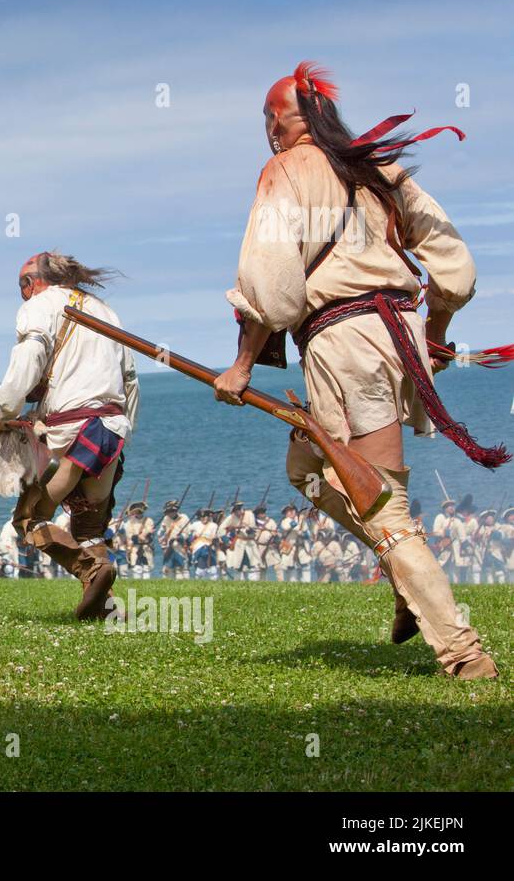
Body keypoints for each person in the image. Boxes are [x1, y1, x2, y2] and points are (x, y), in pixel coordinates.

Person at [212, 61, 499, 678]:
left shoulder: (285, 171)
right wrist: (438, 333)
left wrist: (240, 367)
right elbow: (454, 264)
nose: (269, 129)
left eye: (275, 116)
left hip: (346, 343)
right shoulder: (380, 169)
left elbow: (270, 289)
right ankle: (406, 581)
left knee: (384, 508)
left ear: (299, 118)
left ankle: (462, 651)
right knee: (304, 468)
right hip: (403, 336)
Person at [0, 251, 140, 618]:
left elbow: (32, 353)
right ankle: (104, 607)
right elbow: (130, 378)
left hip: (68, 432)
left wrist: (7, 409)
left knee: (29, 519)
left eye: (23, 285)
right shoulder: (104, 310)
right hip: (111, 431)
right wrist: (124, 439)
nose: (23, 293)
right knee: (90, 528)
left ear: (34, 283)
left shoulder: (40, 305)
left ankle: (91, 570)